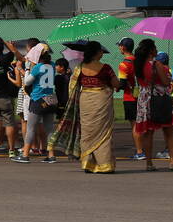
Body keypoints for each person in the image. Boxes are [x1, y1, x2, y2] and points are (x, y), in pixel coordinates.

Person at [49, 40, 119, 173]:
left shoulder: (79, 68)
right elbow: (116, 84)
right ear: (97, 52)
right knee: (103, 132)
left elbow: (72, 87)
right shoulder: (106, 68)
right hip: (101, 100)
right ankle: (105, 165)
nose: (102, 54)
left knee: (87, 132)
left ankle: (88, 163)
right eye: (101, 52)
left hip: (85, 100)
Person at [131, 38, 173, 172]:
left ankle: (149, 163)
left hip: (144, 99)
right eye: (154, 47)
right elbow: (165, 82)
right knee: (169, 131)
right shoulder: (156, 64)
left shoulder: (137, 64)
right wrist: (168, 77)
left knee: (148, 133)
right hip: (159, 98)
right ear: (151, 50)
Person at [19, 43, 58, 163]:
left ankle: (25, 155)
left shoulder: (37, 67)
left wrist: (26, 68)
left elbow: (27, 82)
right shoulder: (52, 65)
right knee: (50, 129)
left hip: (38, 99)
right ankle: (51, 155)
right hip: (51, 99)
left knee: (30, 128)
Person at [116, 37, 143, 160]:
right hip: (142, 96)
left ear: (123, 47)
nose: (119, 47)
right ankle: (143, 149)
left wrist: (115, 86)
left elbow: (121, 84)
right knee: (142, 124)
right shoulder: (138, 61)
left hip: (130, 97)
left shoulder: (124, 64)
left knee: (134, 126)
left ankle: (139, 151)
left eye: (120, 45)